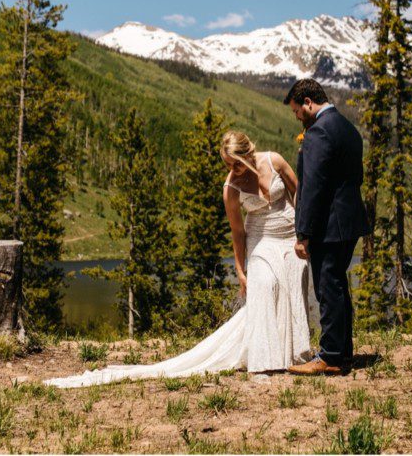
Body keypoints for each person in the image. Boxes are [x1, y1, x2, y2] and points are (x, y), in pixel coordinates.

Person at [44, 131, 311, 387]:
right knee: (263, 284)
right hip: (260, 239)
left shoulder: (273, 160)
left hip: (290, 235)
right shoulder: (230, 187)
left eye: (235, 164)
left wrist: (303, 233)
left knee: (293, 281)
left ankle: (293, 354)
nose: (231, 170)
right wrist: (241, 271)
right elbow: (238, 232)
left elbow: (299, 191)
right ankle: (263, 362)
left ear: (247, 153)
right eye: (227, 165)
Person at [284, 78, 371, 375]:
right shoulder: (348, 128)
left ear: (308, 102)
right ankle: (343, 352)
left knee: (327, 287)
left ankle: (330, 357)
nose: (297, 117)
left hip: (329, 225)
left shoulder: (319, 131)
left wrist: (303, 233)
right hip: (348, 221)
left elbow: (314, 188)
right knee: (337, 286)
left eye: (297, 111)